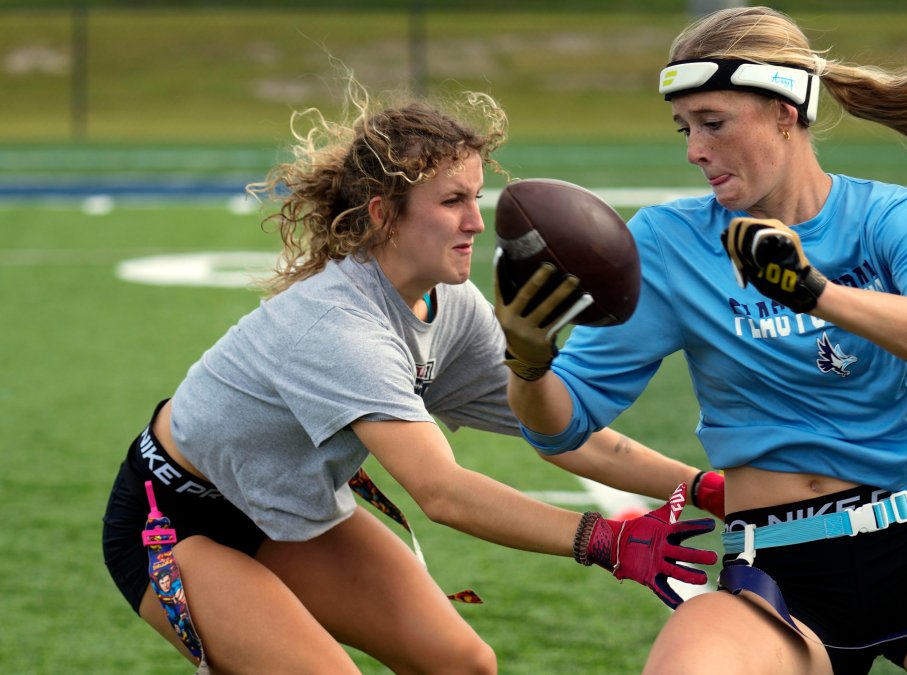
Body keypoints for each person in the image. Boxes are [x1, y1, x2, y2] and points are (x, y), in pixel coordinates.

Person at [495, 2, 907, 674]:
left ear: (787, 110)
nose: (694, 149)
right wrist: (529, 359)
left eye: (713, 123)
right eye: (685, 127)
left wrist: (817, 293)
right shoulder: (668, 242)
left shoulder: (889, 215)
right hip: (779, 565)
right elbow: (560, 426)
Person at [100, 76, 723, 674]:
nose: (477, 222)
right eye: (452, 201)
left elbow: (560, 428)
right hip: (177, 520)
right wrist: (601, 538)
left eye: (475, 198)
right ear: (384, 216)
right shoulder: (338, 326)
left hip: (284, 512)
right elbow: (442, 493)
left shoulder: (451, 305)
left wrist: (701, 486)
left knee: (461, 663)